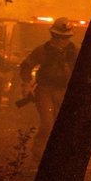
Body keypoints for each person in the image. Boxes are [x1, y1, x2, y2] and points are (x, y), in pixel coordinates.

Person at [18, 18, 78, 154]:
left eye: (65, 37)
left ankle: (55, 154)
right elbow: (25, 66)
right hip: (44, 90)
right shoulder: (42, 51)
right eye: (58, 37)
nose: (61, 40)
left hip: (63, 90)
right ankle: (37, 154)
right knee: (47, 124)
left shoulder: (74, 52)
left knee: (61, 126)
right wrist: (26, 84)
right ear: (53, 35)